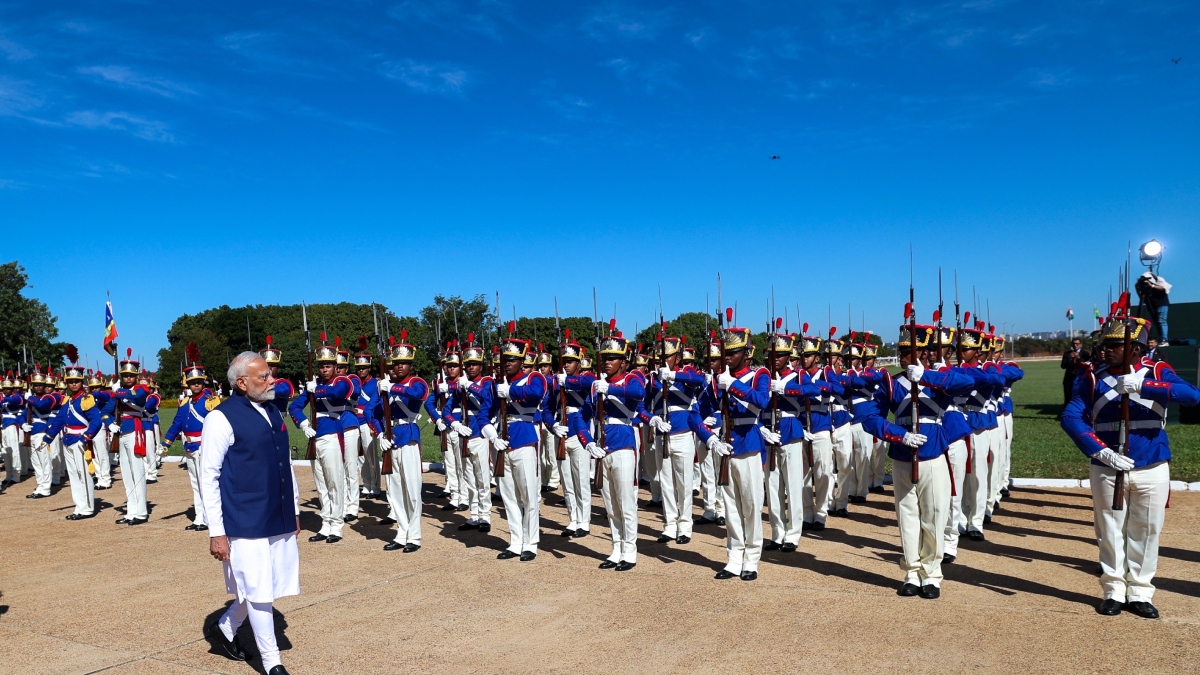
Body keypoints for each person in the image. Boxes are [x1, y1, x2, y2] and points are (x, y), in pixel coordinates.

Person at [1061, 313, 1200, 619]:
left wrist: (1144, 386)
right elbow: (1072, 417)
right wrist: (1100, 452)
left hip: (1151, 462)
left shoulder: (1156, 370)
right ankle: (1113, 589)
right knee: (1109, 529)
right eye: (1104, 343)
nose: (1104, 349)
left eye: (1114, 344)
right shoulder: (1092, 375)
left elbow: (1192, 395)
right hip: (1108, 464)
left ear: (1135, 348)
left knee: (1147, 530)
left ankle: (1139, 590)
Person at [200, 351, 299, 675]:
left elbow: (285, 461)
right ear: (241, 383)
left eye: (270, 375)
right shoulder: (221, 417)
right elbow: (209, 475)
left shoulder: (271, 409)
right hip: (245, 517)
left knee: (263, 582)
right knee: (258, 586)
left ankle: (226, 627)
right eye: (264, 377)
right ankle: (272, 663)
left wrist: (294, 507)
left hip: (277, 511)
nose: (273, 380)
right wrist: (216, 531)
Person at [860, 320, 974, 598]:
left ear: (923, 353)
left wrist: (924, 377)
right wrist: (899, 435)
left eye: (908, 351)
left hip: (933, 454)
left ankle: (932, 574)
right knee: (907, 517)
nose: (902, 356)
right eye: (901, 350)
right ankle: (912, 571)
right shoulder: (892, 382)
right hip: (902, 455)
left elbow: (968, 382)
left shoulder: (941, 379)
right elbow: (870, 419)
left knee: (934, 516)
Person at [695, 324, 771, 581]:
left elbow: (762, 401)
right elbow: (695, 415)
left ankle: (752, 559)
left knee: (750, 506)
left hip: (749, 444)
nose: (727, 357)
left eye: (733, 352)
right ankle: (733, 557)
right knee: (731, 508)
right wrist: (710, 439)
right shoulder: (717, 382)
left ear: (746, 353)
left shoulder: (759, 374)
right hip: (725, 447)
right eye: (725, 352)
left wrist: (734, 385)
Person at [589, 329, 646, 571]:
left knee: (625, 501)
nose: (607, 362)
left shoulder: (631, 378)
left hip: (623, 445)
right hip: (602, 447)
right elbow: (584, 416)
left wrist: (609, 390)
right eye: (605, 358)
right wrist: (587, 441)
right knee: (610, 504)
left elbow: (638, 393)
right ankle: (616, 547)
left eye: (612, 358)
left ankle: (630, 550)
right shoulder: (596, 384)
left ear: (623, 362)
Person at [288, 336, 353, 544]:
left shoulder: (341, 381)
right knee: (321, 483)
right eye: (322, 366)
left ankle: (337, 525)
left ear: (335, 366)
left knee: (335, 481)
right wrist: (304, 423)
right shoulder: (313, 386)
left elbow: (337, 393)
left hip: (333, 434)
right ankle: (325, 524)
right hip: (315, 436)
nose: (325, 370)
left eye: (328, 366)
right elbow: (294, 407)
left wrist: (315, 389)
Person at [491, 333, 548, 561]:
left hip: (524, 438)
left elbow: (537, 393)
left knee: (528, 496)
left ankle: (530, 542)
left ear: (521, 362)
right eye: (505, 361)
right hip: (502, 441)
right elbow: (486, 412)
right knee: (508, 496)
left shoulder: (533, 377)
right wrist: (489, 434)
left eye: (512, 360)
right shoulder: (498, 384)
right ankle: (515, 541)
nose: (508, 364)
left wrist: (511, 392)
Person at [649, 334, 706, 545]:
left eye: (668, 356)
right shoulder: (653, 379)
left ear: (678, 358)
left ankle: (685, 525)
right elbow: (643, 408)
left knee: (684, 483)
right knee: (666, 483)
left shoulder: (686, 374)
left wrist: (672, 376)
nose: (662, 359)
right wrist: (652, 418)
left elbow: (699, 380)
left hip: (682, 435)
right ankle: (669, 524)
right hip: (662, 436)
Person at [378, 332, 428, 552]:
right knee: (395, 491)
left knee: (411, 490)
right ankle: (401, 533)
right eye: (396, 363)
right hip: (391, 439)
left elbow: (417, 394)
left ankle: (414, 536)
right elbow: (373, 413)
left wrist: (393, 388)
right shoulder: (385, 386)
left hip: (408, 437)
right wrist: (380, 434)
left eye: (404, 363)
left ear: (410, 365)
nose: (399, 367)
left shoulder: (415, 381)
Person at [162, 349, 220, 531]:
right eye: (192, 382)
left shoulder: (210, 400)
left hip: (205, 446)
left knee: (207, 483)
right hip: (189, 446)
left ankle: (212, 517)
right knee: (195, 484)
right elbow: (176, 424)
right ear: (187, 383)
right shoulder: (185, 403)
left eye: (199, 382)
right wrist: (166, 443)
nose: (196, 385)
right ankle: (199, 517)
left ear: (203, 382)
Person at [445, 335, 495, 534]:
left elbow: (488, 398)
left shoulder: (487, 381)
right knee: (469, 478)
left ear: (481, 366)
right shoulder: (460, 385)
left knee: (482, 477)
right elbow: (447, 410)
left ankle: (485, 515)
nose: (471, 368)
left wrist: (470, 386)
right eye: (468, 365)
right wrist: (454, 424)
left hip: (480, 434)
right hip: (464, 434)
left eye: (475, 364)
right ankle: (474, 515)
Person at [548, 334, 594, 538]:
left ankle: (584, 521)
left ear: (579, 362)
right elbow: (547, 410)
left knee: (581, 480)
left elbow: (587, 384)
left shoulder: (586, 378)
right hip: (562, 434)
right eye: (564, 361)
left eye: (570, 362)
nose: (566, 365)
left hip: (579, 436)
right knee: (566, 481)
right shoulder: (556, 383)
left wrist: (569, 381)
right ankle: (573, 518)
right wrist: (553, 426)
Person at [44, 360, 101, 519]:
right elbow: (59, 421)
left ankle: (88, 507)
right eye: (71, 381)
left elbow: (96, 421)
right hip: (67, 440)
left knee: (84, 474)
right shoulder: (67, 401)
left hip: (80, 440)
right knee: (74, 476)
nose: (74, 384)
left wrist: (85, 438)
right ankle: (79, 506)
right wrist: (48, 438)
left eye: (76, 381)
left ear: (81, 381)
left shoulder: (86, 399)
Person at [112, 350, 151, 524]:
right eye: (125, 375)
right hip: (122, 432)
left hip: (135, 432)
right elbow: (106, 411)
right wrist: (109, 423)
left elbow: (137, 397)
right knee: (127, 475)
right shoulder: (118, 391)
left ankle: (141, 512)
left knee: (137, 472)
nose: (128, 378)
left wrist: (117, 392)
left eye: (131, 375)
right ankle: (131, 510)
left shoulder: (141, 388)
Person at [1135, 271, 1170, 341]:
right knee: (1156, 322)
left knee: (1161, 321)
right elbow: (1141, 297)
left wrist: (1151, 285)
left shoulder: (1159, 281)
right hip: (1151, 305)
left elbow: (1164, 288)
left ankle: (1164, 339)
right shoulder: (1145, 287)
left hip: (1161, 304)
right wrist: (1137, 288)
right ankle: (1160, 338)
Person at [1061, 338, 1090, 410]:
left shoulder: (1085, 353)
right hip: (1069, 378)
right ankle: (1067, 412)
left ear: (1081, 345)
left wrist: (1079, 358)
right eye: (1073, 344)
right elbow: (1063, 366)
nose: (1075, 345)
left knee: (1080, 396)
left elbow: (1087, 364)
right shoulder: (1067, 353)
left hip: (1081, 378)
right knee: (1068, 396)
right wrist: (1070, 359)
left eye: (1077, 344)